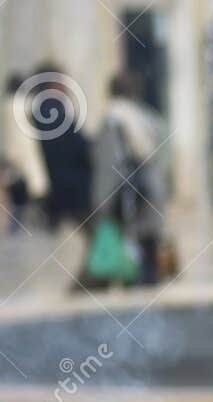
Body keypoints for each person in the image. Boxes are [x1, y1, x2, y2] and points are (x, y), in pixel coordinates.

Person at [91, 71, 168, 284]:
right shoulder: (143, 115)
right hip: (150, 187)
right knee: (148, 244)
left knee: (132, 246)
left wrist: (101, 202)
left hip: (131, 192)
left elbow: (110, 164)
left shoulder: (112, 119)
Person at [27, 66, 92, 230]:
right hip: (67, 187)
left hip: (61, 186)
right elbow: (73, 146)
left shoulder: (44, 109)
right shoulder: (51, 110)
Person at [3, 73, 51, 233]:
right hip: (26, 150)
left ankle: (17, 222)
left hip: (9, 153)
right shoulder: (24, 103)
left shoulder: (4, 105)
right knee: (33, 187)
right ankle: (37, 219)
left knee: (15, 189)